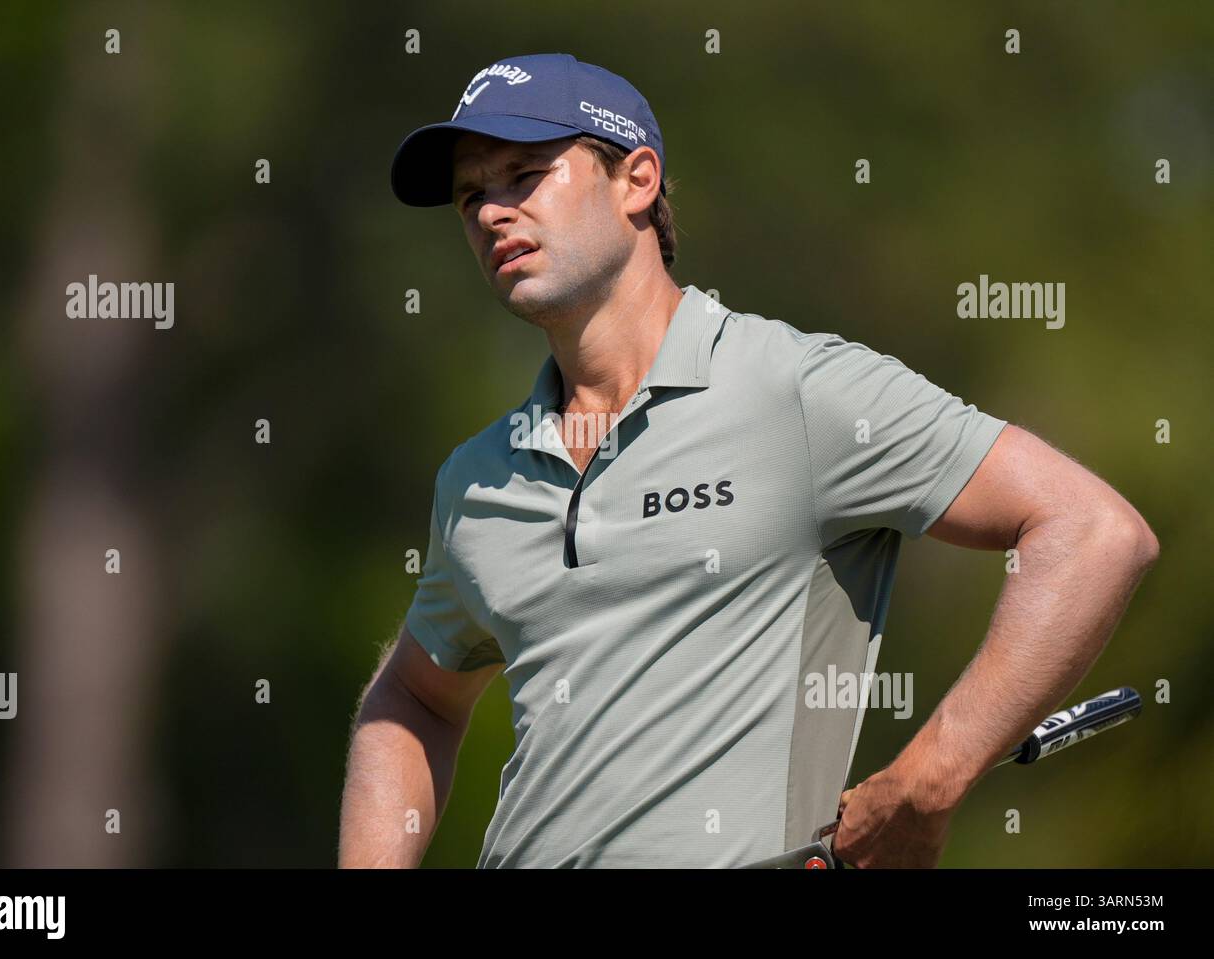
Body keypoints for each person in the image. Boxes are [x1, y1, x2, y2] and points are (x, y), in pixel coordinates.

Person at [338, 53, 1160, 868]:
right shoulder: (478, 478)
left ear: (637, 180)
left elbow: (1090, 531)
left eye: (524, 174)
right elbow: (413, 696)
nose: (490, 212)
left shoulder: (799, 390)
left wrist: (927, 780)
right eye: (471, 193)